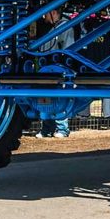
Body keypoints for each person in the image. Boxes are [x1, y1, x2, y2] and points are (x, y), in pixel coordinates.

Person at [34, 8, 75, 139]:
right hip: (45, 68)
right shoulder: (47, 27)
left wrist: (65, 69)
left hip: (58, 69)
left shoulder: (65, 26)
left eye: (46, 13)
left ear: (53, 12)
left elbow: (69, 49)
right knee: (44, 98)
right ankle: (47, 128)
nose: (43, 16)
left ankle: (62, 128)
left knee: (59, 98)